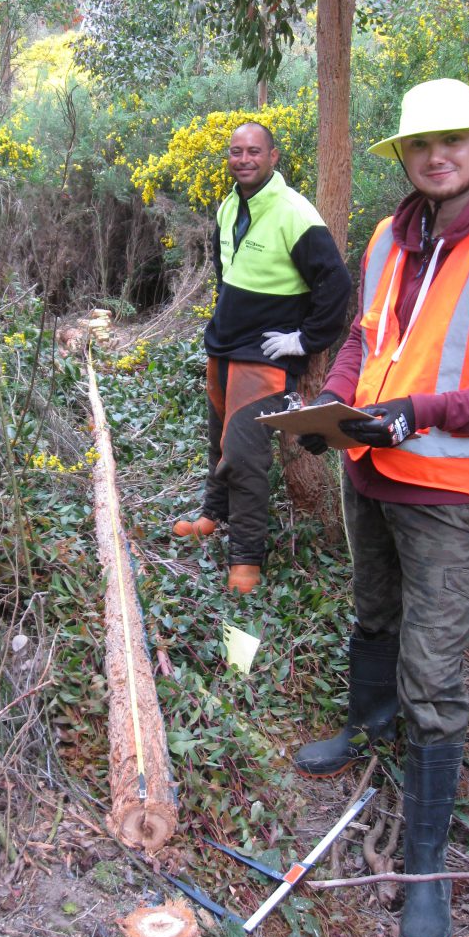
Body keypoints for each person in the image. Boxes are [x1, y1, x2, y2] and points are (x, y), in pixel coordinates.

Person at [294, 79, 469, 937]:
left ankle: (425, 866)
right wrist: (331, 406)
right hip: (371, 471)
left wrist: (420, 413)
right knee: (373, 616)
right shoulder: (390, 236)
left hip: (447, 498)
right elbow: (366, 337)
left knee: (432, 680)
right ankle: (367, 728)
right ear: (404, 155)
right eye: (421, 144)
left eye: (454, 141)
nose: (438, 156)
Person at [172, 121, 351, 594]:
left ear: (273, 157)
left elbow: (336, 283)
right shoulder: (230, 204)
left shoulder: (295, 212)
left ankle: (246, 559)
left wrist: (305, 340)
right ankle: (212, 514)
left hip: (265, 356)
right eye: (236, 151)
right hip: (225, 344)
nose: (243, 159)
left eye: (254, 151)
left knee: (246, 456)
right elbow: (225, 269)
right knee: (219, 439)